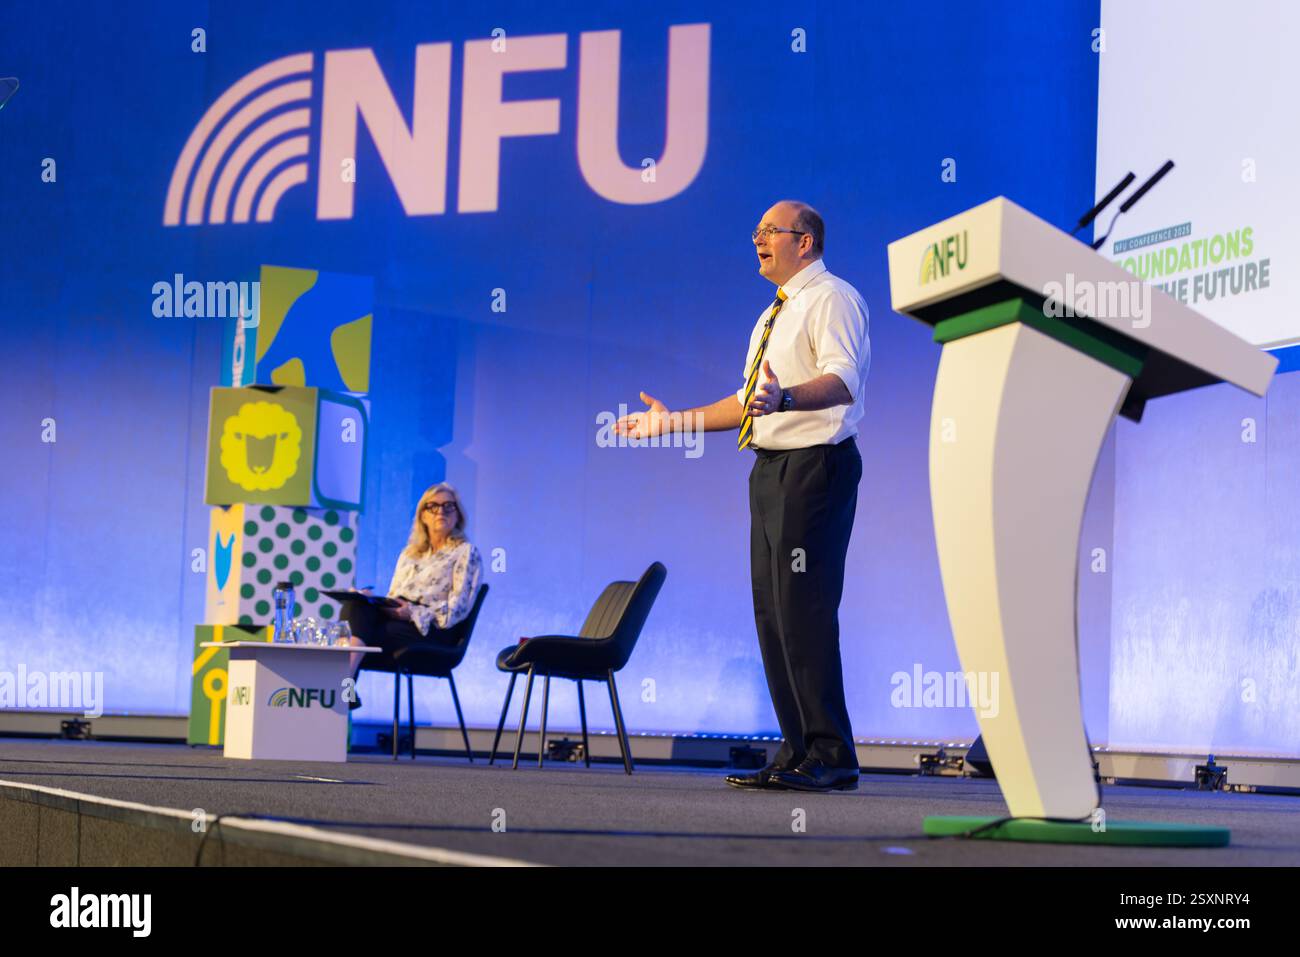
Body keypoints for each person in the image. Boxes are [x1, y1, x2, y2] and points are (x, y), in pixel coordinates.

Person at [615, 200, 869, 792]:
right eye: (754, 231)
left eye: (768, 231)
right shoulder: (772, 316)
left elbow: (842, 380)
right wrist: (671, 422)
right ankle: (799, 747)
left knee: (804, 607)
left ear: (804, 242)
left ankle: (832, 753)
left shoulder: (832, 298)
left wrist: (784, 401)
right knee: (773, 611)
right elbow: (746, 400)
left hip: (816, 467)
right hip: (770, 468)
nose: (757, 240)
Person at [341, 482, 483, 708]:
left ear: (458, 515)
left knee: (356, 632)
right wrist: (376, 603)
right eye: (433, 506)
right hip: (398, 618)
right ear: (422, 516)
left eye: (449, 506)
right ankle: (344, 685)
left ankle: (341, 684)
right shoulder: (409, 553)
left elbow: (458, 609)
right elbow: (394, 594)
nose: (441, 512)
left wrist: (412, 614)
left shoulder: (466, 553)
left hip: (433, 630)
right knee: (357, 605)